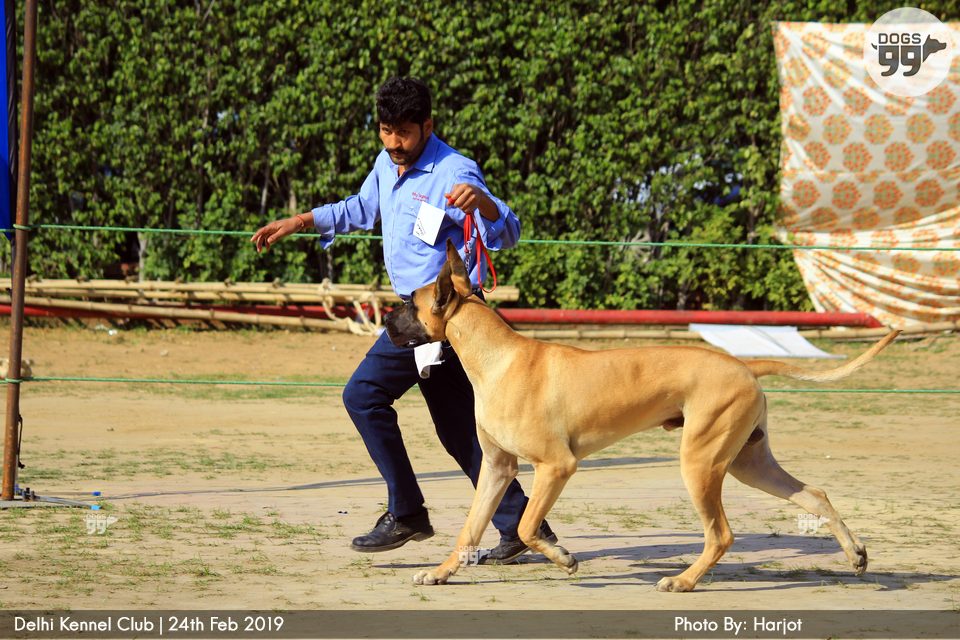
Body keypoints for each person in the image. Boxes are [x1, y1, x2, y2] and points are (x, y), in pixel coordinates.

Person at [250, 77, 556, 564]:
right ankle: (521, 524)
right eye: (386, 131)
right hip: (420, 316)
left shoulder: (456, 169)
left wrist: (485, 206)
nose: (394, 144)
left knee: (363, 395)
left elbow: (508, 231)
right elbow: (360, 208)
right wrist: (302, 222)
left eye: (404, 134)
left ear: (427, 126)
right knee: (458, 427)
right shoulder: (386, 163)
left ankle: (408, 511)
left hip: (442, 317)